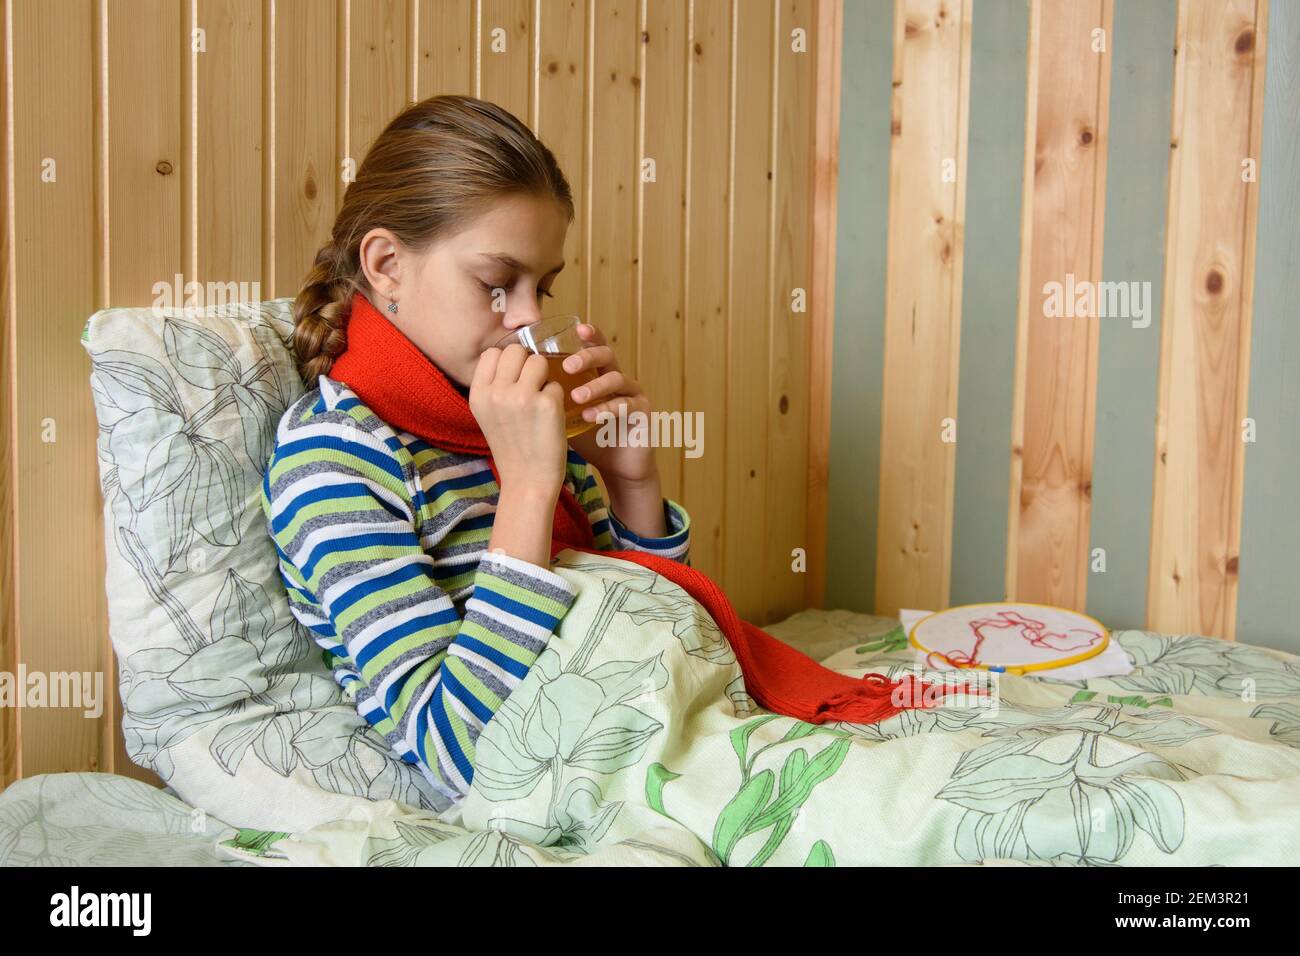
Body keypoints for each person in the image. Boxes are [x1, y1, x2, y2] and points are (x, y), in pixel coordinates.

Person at [260, 95, 689, 808]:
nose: (526, 319)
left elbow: (662, 638)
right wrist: (526, 492)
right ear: (387, 264)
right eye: (498, 285)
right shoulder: (333, 461)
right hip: (547, 783)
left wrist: (633, 486)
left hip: (642, 741)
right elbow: (460, 751)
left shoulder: (522, 422)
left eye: (541, 289)